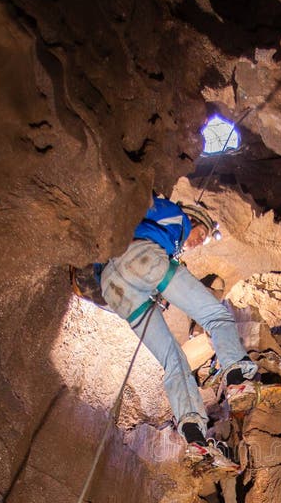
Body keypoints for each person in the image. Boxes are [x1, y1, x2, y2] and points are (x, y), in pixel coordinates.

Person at [72, 193, 262, 468]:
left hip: (114, 289)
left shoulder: (169, 240)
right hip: (141, 257)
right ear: (193, 218)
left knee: (173, 360)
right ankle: (237, 375)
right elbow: (140, 201)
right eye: (203, 233)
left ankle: (195, 437)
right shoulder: (174, 214)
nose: (200, 241)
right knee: (215, 313)